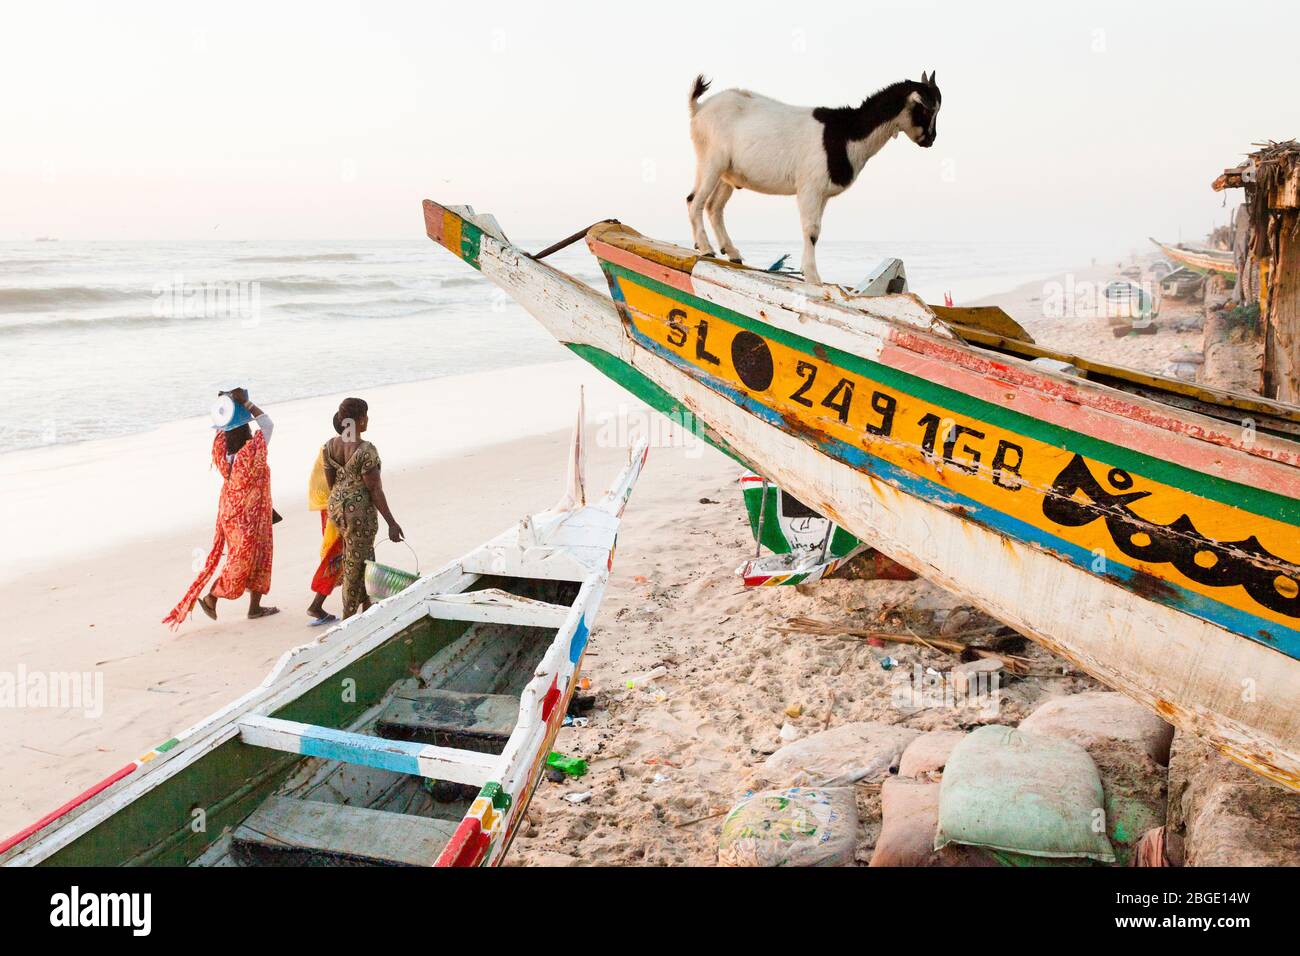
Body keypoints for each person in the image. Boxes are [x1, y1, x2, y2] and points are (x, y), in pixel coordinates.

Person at [164, 388, 278, 627]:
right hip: (249, 514)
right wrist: (245, 402)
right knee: (250, 557)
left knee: (253, 555)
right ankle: (212, 597)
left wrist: (226, 404)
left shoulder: (220, 448)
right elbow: (267, 424)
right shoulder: (253, 449)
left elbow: (222, 424)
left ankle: (255, 608)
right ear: (246, 426)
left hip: (230, 508)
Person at [323, 397, 403, 619]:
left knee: (362, 554)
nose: (367, 420)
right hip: (359, 513)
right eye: (365, 416)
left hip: (337, 509)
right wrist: (392, 523)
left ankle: (368, 605)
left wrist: (341, 501)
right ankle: (348, 617)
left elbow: (332, 483)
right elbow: (375, 490)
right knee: (354, 565)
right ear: (358, 420)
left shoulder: (329, 445)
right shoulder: (366, 450)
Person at [305, 414, 346, 625]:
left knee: (346, 555)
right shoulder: (343, 449)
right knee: (338, 555)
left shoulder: (328, 446)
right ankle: (316, 605)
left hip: (329, 508)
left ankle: (364, 600)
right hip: (339, 511)